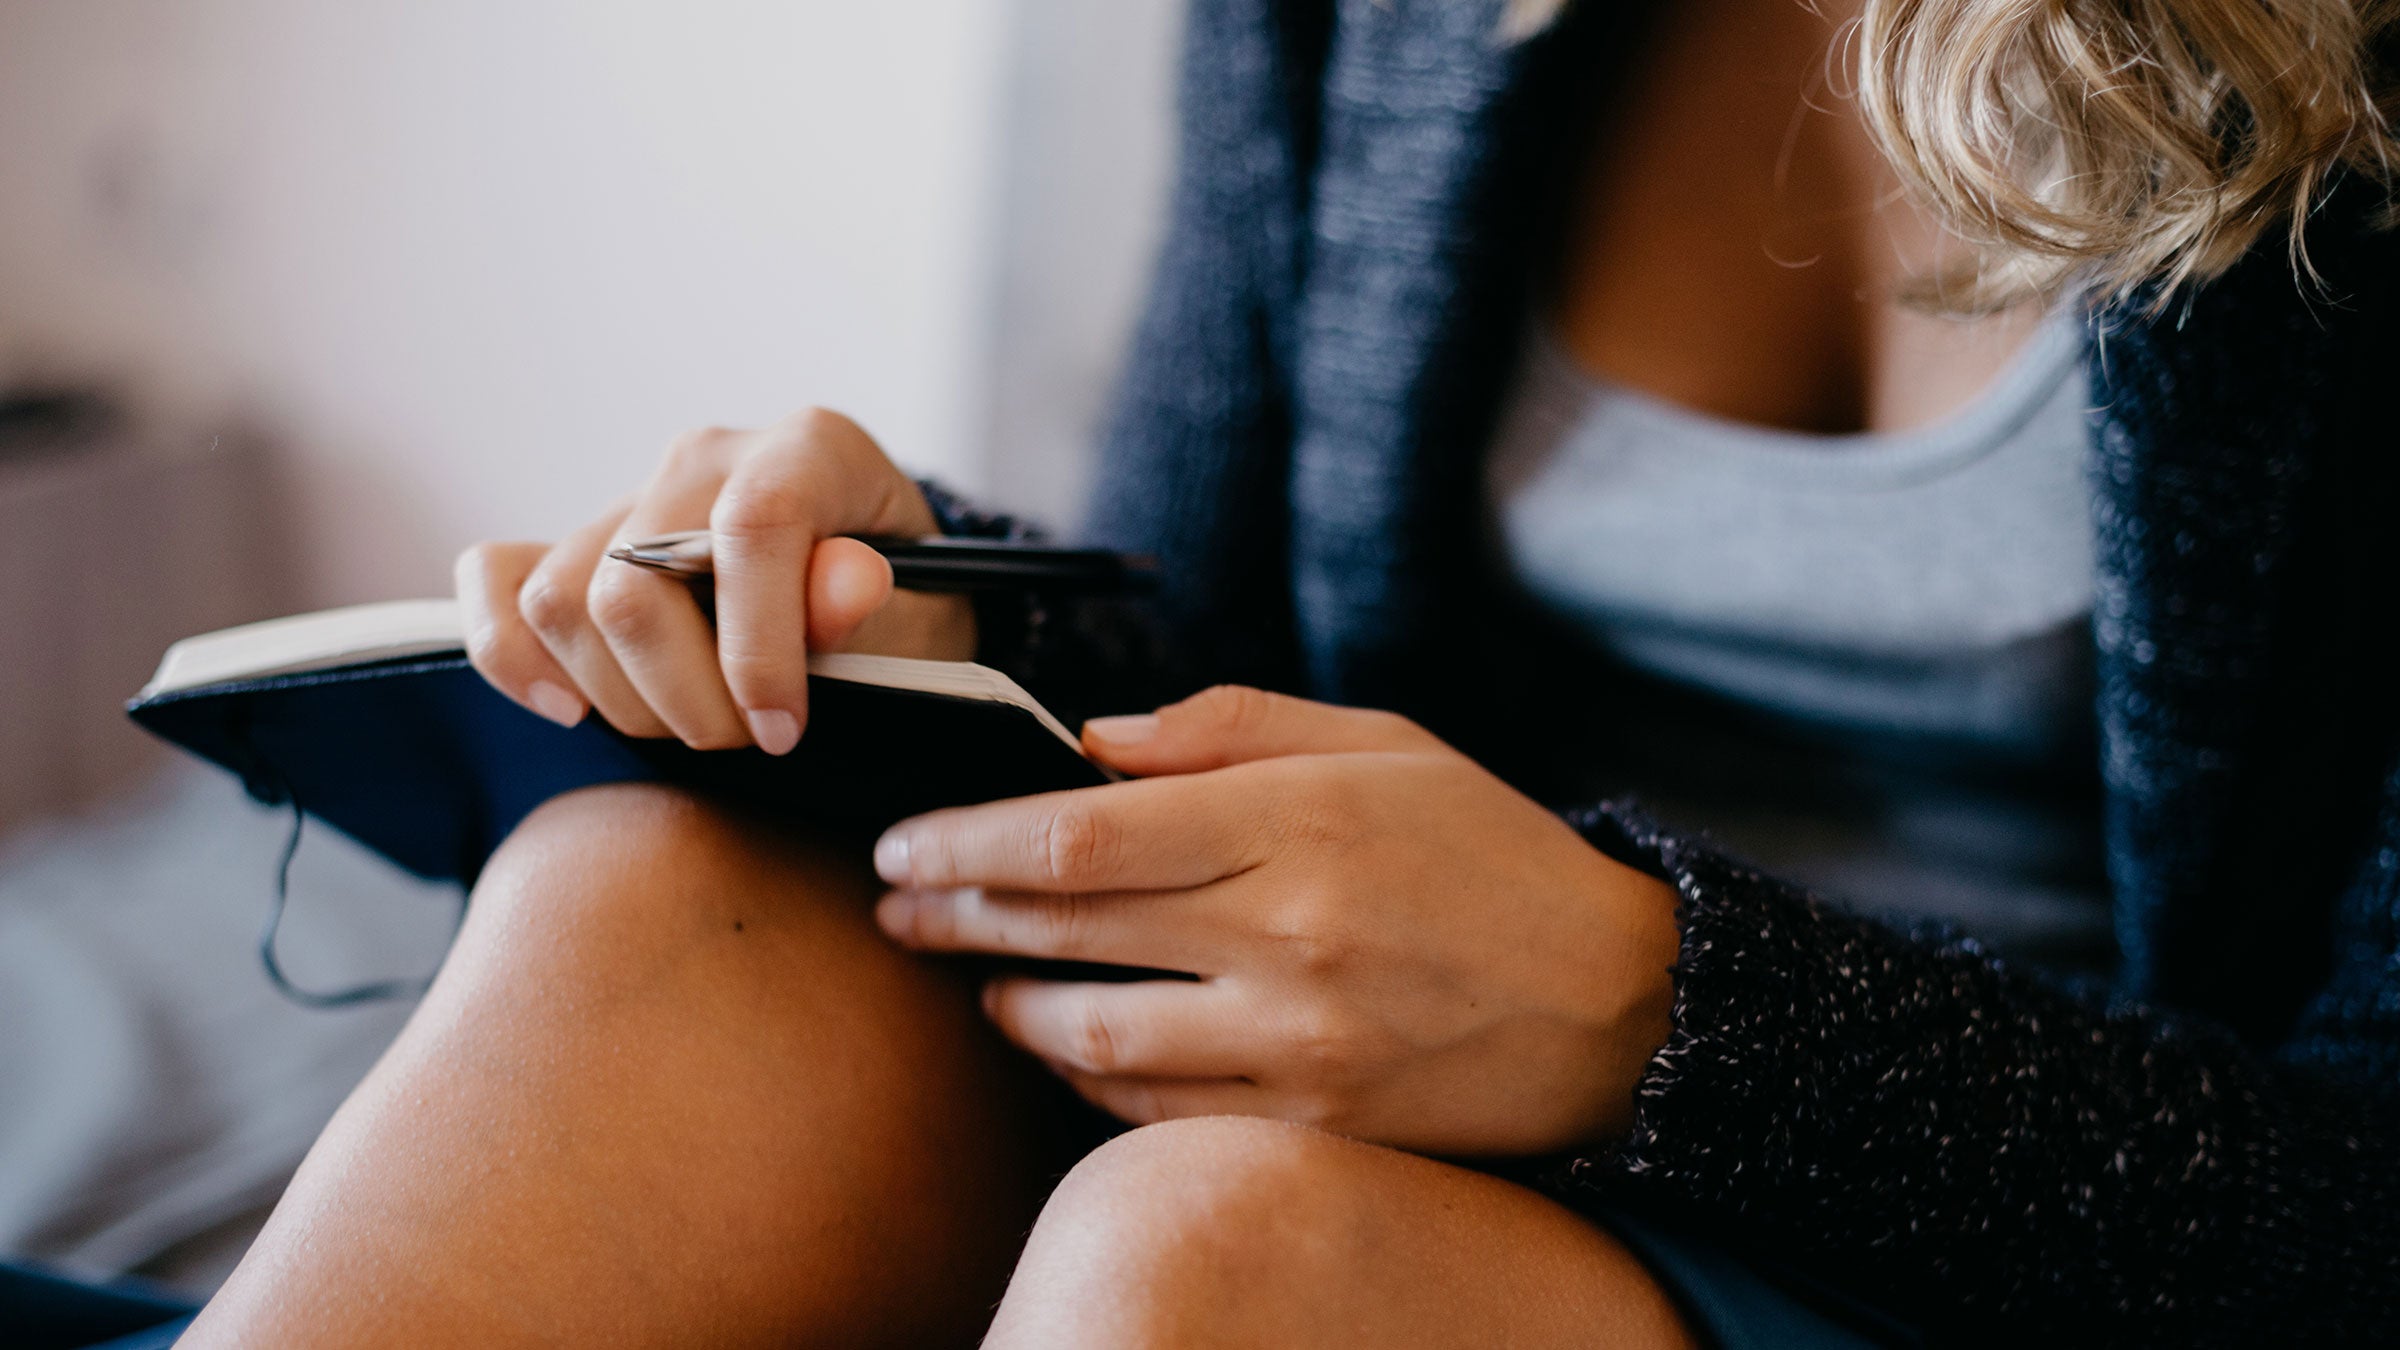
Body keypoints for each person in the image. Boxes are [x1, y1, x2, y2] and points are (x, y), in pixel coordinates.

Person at [149, 0, 2400, 1343]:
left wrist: (1655, 1010)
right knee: (648, 901)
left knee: (1214, 1266)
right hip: (1392, 1078)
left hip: (2052, 1246)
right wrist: (933, 617)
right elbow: (1219, 635)